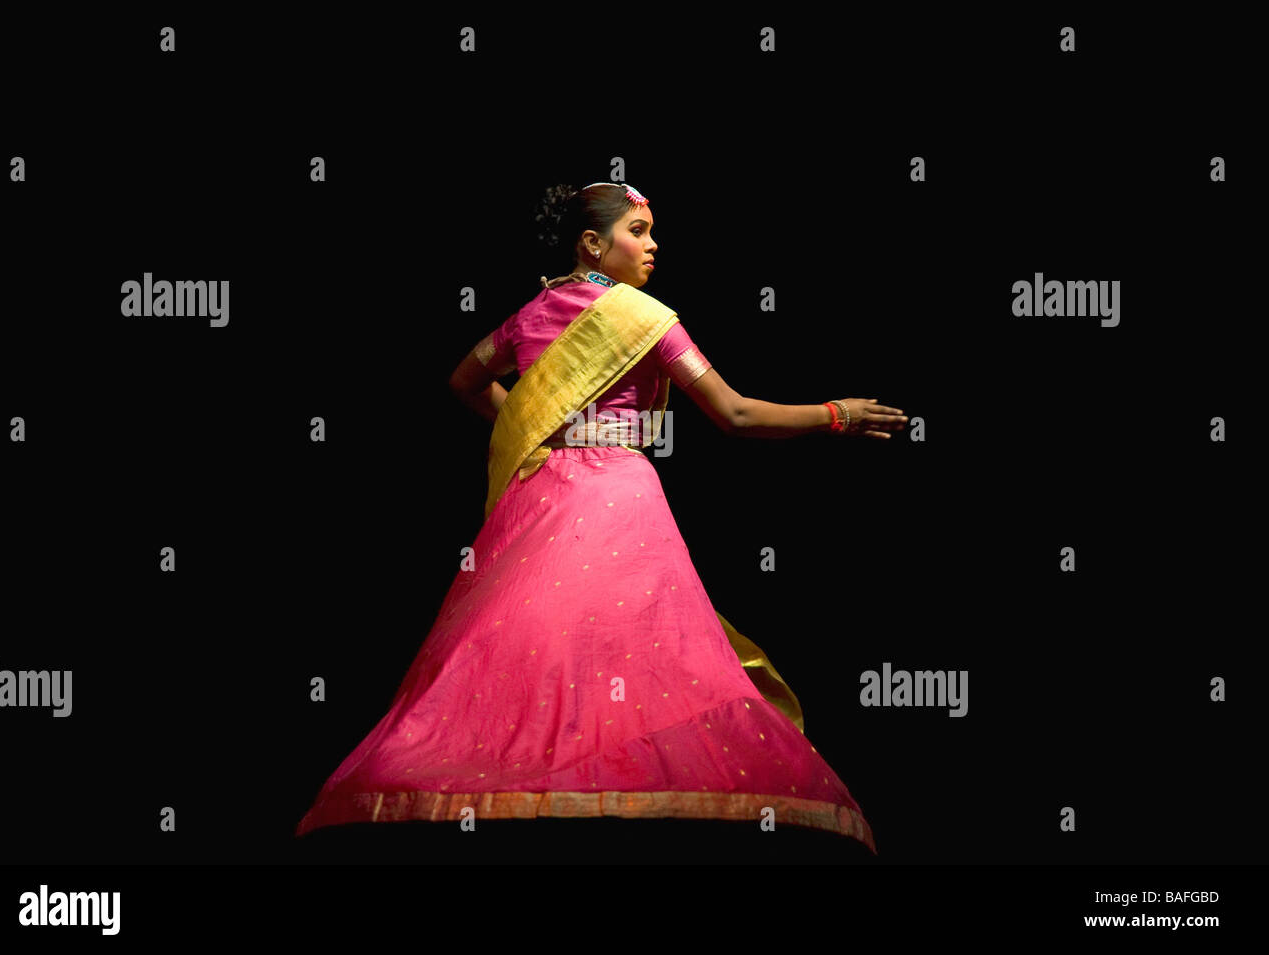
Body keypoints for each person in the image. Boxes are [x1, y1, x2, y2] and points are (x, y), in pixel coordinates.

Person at [294, 182, 907, 856]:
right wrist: (835, 414)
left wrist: (537, 428)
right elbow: (734, 414)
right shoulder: (645, 317)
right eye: (638, 231)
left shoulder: (528, 315)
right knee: (637, 658)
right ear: (593, 243)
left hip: (536, 500)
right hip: (619, 495)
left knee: (530, 658)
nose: (653, 244)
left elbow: (462, 383)